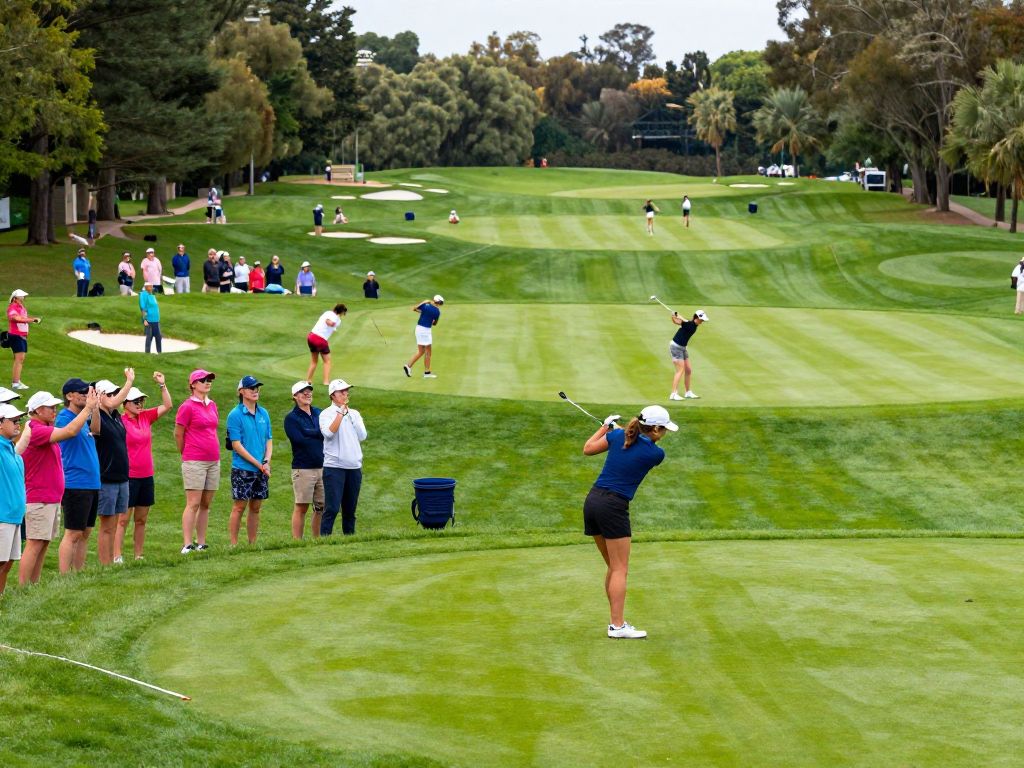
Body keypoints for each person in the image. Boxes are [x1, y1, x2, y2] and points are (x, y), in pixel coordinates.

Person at [582, 405, 676, 639]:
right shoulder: (656, 454)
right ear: (654, 428)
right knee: (620, 568)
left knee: (614, 568)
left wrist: (605, 427)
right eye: (663, 429)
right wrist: (616, 429)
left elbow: (588, 449)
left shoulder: (615, 436)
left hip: (593, 501)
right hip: (613, 507)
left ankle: (616, 622)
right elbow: (634, 440)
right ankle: (617, 626)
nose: (664, 434)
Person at [17, 389, 97, 586]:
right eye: (50, 407)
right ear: (37, 410)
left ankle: (33, 585)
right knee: (35, 543)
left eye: (55, 407)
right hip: (39, 496)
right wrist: (88, 408)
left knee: (43, 543)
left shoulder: (42, 428)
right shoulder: (37, 430)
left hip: (50, 497)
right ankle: (23, 586)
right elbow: (70, 431)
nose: (54, 410)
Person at [115, 373, 172, 562]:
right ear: (126, 403)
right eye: (135, 401)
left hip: (147, 475)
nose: (140, 404)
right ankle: (117, 556)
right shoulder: (120, 421)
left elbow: (168, 406)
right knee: (122, 519)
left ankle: (138, 555)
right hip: (129, 476)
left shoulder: (146, 417)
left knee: (141, 519)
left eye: (141, 400)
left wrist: (162, 385)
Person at [56, 378, 102, 574]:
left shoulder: (84, 419)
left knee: (85, 532)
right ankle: (64, 575)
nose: (86, 394)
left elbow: (97, 430)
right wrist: (87, 409)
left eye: (87, 391)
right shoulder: (65, 417)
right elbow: (71, 431)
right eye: (81, 392)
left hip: (91, 483)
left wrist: (95, 407)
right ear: (69, 396)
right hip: (75, 483)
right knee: (73, 532)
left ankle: (78, 572)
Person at [92, 370, 135, 566]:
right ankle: (105, 564)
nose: (113, 397)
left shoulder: (116, 416)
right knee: (107, 525)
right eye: (108, 394)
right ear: (99, 396)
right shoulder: (97, 416)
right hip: (106, 477)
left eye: (113, 393)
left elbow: (117, 401)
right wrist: (129, 381)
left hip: (122, 476)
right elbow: (95, 430)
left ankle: (111, 560)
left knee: (116, 522)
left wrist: (127, 383)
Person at [174, 369, 219, 554]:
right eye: (203, 380)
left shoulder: (212, 404)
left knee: (206, 504)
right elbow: (178, 433)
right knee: (193, 503)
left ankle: (201, 542)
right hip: (194, 460)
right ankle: (187, 543)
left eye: (209, 380)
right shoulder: (187, 406)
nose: (207, 382)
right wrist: (186, 452)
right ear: (193, 384)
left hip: (213, 460)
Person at [227, 375, 272, 546]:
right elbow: (237, 445)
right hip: (243, 468)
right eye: (251, 388)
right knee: (239, 507)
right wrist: (258, 464)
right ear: (241, 391)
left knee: (256, 507)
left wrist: (266, 461)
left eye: (257, 388)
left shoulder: (263, 413)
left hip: (261, 468)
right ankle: (233, 544)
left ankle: (252, 543)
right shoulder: (235, 414)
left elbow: (269, 440)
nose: (255, 391)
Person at [319, 379, 365, 536]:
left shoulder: (355, 413)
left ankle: (349, 540)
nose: (346, 394)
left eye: (347, 391)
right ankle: (324, 540)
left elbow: (362, 435)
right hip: (334, 468)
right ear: (332, 395)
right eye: (342, 392)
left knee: (350, 509)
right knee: (331, 508)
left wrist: (351, 415)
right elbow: (329, 433)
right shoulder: (326, 414)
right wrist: (340, 413)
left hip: (354, 467)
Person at [284, 381, 324, 539]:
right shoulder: (291, 418)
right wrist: (318, 433)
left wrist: (310, 432)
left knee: (321, 507)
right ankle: (297, 542)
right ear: (295, 396)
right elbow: (299, 439)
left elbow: (328, 435)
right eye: (302, 392)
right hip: (303, 468)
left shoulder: (319, 413)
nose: (307, 394)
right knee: (301, 507)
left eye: (309, 391)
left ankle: (317, 540)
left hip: (322, 466)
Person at [0, 402, 26, 594]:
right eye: (14, 421)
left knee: (7, 563)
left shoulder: (12, 451)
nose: (18, 424)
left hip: (15, 516)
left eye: (19, 420)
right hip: (2, 516)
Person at [668, 309, 709, 400]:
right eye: (701, 320)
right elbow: (677, 321)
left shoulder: (692, 326)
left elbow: (681, 321)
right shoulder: (689, 324)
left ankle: (688, 392)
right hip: (675, 347)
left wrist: (676, 315)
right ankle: (673, 394)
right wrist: (673, 316)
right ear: (697, 317)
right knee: (680, 370)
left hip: (682, 347)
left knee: (688, 370)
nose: (702, 322)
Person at [403, 295, 444, 379]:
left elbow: (414, 308)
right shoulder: (437, 311)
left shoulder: (425, 305)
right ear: (439, 303)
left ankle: (408, 366)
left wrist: (424, 302)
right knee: (428, 352)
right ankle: (427, 373)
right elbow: (435, 324)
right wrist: (430, 319)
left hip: (418, 329)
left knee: (421, 351)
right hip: (426, 331)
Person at [306, 303, 347, 385]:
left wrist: (331, 322)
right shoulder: (337, 319)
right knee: (327, 361)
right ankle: (326, 382)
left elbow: (329, 322)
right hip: (320, 339)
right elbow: (329, 322)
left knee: (314, 361)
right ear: (341, 312)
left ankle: (308, 381)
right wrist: (331, 322)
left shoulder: (327, 313)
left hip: (311, 336)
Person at [8, 289, 40, 391]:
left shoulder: (20, 306)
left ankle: (17, 381)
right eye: (21, 296)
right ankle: (15, 383)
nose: (23, 298)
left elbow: (21, 318)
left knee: (20, 359)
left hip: (21, 336)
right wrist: (32, 320)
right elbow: (15, 318)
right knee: (19, 360)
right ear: (15, 298)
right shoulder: (13, 307)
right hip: (16, 335)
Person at [139, 283, 162, 354]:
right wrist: (144, 319)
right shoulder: (144, 295)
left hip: (156, 320)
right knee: (149, 338)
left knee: (158, 337)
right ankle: (147, 353)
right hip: (149, 320)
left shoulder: (152, 296)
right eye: (150, 286)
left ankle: (159, 352)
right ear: (146, 287)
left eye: (152, 286)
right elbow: (143, 308)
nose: (152, 287)